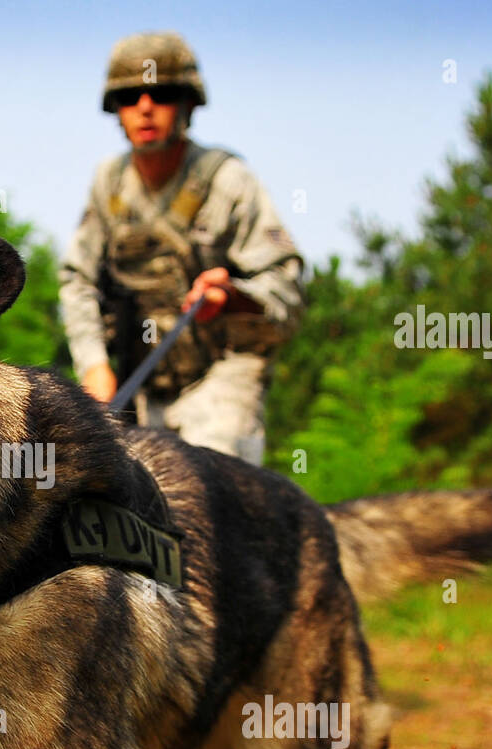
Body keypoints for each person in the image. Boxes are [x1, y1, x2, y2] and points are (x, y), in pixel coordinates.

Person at [58, 31, 304, 465]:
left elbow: (287, 289)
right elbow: (77, 281)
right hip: (139, 386)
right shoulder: (109, 185)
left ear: (188, 104)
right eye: (130, 96)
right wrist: (94, 364)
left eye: (162, 94)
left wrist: (232, 297)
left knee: (214, 492)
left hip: (222, 375)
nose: (145, 107)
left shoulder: (227, 181)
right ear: (116, 110)